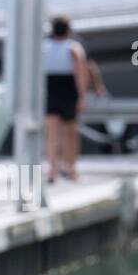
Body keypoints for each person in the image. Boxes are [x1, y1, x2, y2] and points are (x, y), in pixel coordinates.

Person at [43, 15, 89, 182]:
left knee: (51, 131)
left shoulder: (44, 47)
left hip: (50, 86)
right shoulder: (73, 48)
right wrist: (82, 96)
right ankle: (71, 168)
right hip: (67, 87)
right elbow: (80, 75)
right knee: (70, 132)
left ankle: (53, 169)